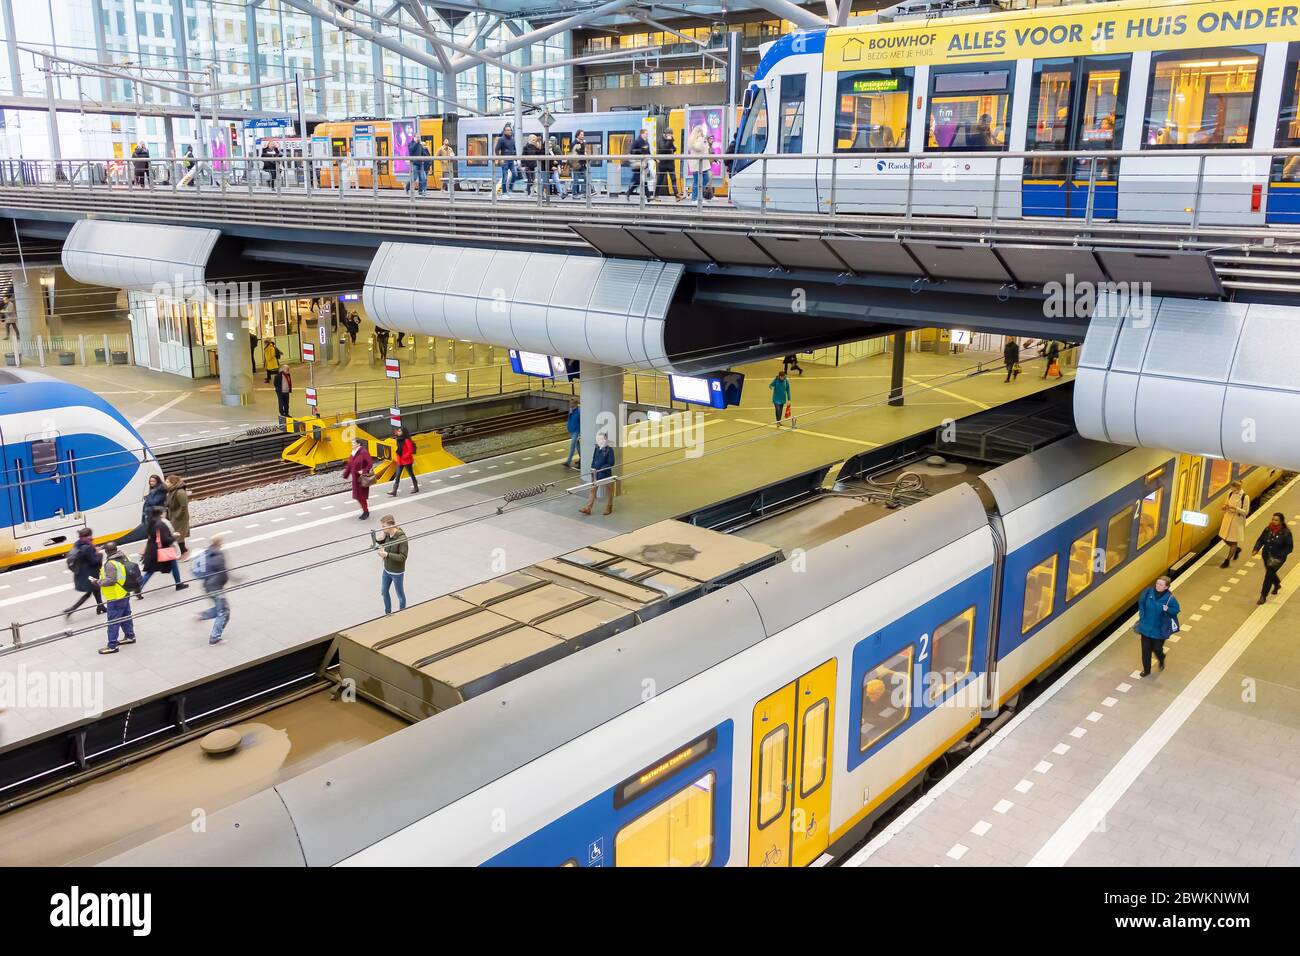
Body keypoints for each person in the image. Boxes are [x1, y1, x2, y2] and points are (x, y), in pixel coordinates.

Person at [94, 542, 137, 655]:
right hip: (125, 591)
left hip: (115, 595)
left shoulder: (110, 564)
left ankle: (112, 646)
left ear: (107, 552)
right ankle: (129, 636)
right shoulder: (124, 557)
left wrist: (98, 582)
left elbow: (111, 580)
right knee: (126, 615)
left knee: (113, 621)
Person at [1135, 575, 1180, 677]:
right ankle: (1146, 670)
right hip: (1146, 627)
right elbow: (1141, 603)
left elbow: (1176, 610)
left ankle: (1161, 658)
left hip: (1160, 629)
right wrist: (1142, 617)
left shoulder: (1170, 598)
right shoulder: (1148, 592)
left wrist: (1167, 609)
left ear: (1166, 587)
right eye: (1157, 583)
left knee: (1157, 648)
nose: (1158, 586)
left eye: (1161, 584)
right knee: (1145, 650)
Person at [139, 507, 187, 594]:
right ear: (161, 513)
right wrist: (174, 537)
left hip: (152, 550)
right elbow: (165, 539)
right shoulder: (161, 524)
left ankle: (139, 588)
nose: (165, 513)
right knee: (174, 566)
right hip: (163, 550)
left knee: (150, 571)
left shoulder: (151, 522)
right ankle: (178, 584)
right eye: (164, 512)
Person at [194, 534, 230, 645]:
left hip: (207, 586)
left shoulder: (206, 552)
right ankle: (215, 638)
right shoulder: (218, 555)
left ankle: (201, 616)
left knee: (221, 609)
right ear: (220, 543)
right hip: (216, 588)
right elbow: (223, 573)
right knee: (224, 612)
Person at [64, 528, 105, 620]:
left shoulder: (78, 544)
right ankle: (71, 609)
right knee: (90, 592)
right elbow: (94, 561)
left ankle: (101, 606)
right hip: (89, 574)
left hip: (81, 572)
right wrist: (99, 554)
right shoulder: (87, 547)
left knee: (96, 588)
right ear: (89, 536)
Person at [1253, 513, 1293, 605]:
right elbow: (1261, 540)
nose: (1274, 521)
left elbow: (1289, 548)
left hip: (1278, 559)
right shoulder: (1267, 530)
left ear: (1281, 521)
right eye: (1273, 519)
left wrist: (1279, 557)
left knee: (1268, 575)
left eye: (1276, 520)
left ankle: (1263, 596)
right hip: (1266, 556)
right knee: (1270, 573)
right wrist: (1256, 549)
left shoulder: (1286, 533)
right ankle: (1277, 584)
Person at [375, 514, 409, 614]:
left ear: (391, 525)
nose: (382, 529)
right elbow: (385, 545)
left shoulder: (402, 538)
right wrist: (379, 539)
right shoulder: (388, 535)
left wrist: (387, 554)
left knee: (400, 595)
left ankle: (402, 613)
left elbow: (403, 557)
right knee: (384, 592)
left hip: (397, 573)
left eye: (384, 527)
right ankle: (388, 613)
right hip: (386, 570)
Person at [580, 431, 616, 516]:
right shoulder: (597, 448)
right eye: (598, 439)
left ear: (605, 439)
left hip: (605, 474)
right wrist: (592, 467)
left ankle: (609, 507)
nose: (599, 441)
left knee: (609, 491)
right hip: (596, 474)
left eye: (601, 439)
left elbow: (611, 463)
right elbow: (594, 459)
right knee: (593, 490)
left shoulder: (609, 450)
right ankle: (588, 508)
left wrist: (601, 469)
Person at [1217, 480, 1249, 568]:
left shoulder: (1245, 497)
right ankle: (1237, 549)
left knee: (1234, 541)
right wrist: (1224, 507)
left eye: (1234, 489)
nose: (1232, 491)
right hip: (1227, 518)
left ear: (1238, 488)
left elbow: (1246, 512)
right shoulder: (1230, 493)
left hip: (1236, 521)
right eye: (1232, 489)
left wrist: (1236, 509)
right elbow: (1226, 503)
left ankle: (1227, 561)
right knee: (1224, 537)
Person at [343, 438, 374, 520]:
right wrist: (345, 474)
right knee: (358, 496)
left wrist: (364, 471)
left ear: (359, 444)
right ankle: (365, 511)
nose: (352, 445)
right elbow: (350, 464)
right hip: (355, 479)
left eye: (353, 443)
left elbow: (370, 463)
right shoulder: (353, 453)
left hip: (361, 478)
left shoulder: (363, 452)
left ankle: (366, 512)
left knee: (361, 496)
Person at [164, 474, 191, 559]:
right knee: (177, 535)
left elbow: (184, 506)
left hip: (180, 518)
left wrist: (178, 515)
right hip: (174, 517)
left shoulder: (180, 492)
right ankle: (184, 550)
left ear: (173, 482)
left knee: (178, 536)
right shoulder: (171, 491)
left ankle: (184, 552)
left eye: (167, 482)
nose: (166, 483)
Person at [389, 427, 419, 496]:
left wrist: (404, 456)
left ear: (403, 432)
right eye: (398, 431)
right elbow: (399, 449)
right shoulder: (398, 439)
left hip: (407, 461)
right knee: (398, 475)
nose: (398, 432)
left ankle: (416, 487)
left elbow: (410, 451)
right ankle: (394, 491)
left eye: (400, 431)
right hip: (400, 461)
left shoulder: (407, 440)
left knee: (411, 474)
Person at [687, 123, 711, 200]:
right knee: (697, 181)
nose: (701, 133)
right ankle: (694, 198)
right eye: (700, 131)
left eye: (701, 131)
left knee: (706, 178)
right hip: (696, 164)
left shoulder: (702, 140)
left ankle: (698, 196)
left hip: (704, 164)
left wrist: (705, 142)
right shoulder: (693, 141)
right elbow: (698, 148)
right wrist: (702, 140)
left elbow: (706, 149)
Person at [628, 129, 652, 201]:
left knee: (644, 181)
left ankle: (648, 197)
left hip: (644, 164)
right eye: (646, 133)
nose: (647, 135)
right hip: (638, 165)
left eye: (647, 134)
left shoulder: (646, 142)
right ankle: (647, 197)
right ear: (642, 134)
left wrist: (654, 159)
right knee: (640, 181)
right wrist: (641, 150)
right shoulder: (637, 141)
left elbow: (648, 152)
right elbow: (632, 151)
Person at [495, 123, 519, 194]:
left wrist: (516, 159)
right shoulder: (501, 139)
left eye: (510, 130)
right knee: (505, 177)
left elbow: (514, 150)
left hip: (511, 160)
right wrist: (500, 159)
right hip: (504, 161)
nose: (509, 131)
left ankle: (510, 189)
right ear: (504, 131)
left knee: (515, 175)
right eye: (508, 130)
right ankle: (504, 193)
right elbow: (496, 150)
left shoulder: (512, 140)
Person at [657, 126, 679, 199]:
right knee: (660, 180)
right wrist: (669, 141)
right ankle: (656, 195)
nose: (671, 136)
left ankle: (677, 195)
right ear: (666, 134)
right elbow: (663, 149)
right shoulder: (661, 140)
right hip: (663, 163)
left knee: (673, 179)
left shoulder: (671, 139)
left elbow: (673, 148)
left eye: (671, 134)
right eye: (670, 134)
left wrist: (674, 148)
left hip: (670, 163)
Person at [570, 130, 588, 198]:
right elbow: (573, 153)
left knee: (585, 178)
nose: (583, 136)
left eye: (583, 135)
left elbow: (584, 152)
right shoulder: (574, 143)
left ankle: (584, 193)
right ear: (577, 135)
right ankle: (574, 194)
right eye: (581, 135)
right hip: (576, 165)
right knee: (576, 180)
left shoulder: (583, 143)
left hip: (582, 164)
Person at [563, 399, 581, 468]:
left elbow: (581, 422)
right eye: (570, 403)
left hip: (576, 431)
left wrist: (580, 433)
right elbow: (570, 420)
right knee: (578, 447)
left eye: (571, 403)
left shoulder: (579, 412)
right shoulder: (571, 410)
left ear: (575, 404)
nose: (570, 404)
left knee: (572, 446)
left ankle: (568, 461)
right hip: (572, 430)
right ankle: (582, 459)